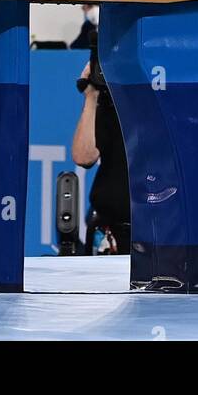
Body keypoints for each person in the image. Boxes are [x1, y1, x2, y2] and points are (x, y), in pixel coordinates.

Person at [71, 53, 129, 254]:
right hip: (110, 229)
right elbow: (83, 156)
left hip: (154, 228)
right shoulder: (108, 105)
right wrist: (91, 95)